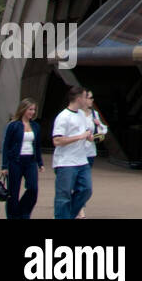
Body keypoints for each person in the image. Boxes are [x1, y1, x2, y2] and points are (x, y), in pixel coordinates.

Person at [52, 86, 94, 219]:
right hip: (66, 162)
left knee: (86, 190)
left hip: (82, 160)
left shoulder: (82, 114)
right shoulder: (63, 117)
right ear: (78, 98)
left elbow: (85, 131)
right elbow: (57, 140)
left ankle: (68, 215)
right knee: (63, 195)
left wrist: (88, 136)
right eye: (85, 97)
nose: (87, 100)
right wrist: (80, 136)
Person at [0, 98, 45, 219]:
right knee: (13, 192)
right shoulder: (13, 125)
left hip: (30, 161)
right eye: (30, 109)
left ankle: (23, 213)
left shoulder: (35, 126)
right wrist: (4, 166)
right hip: (15, 161)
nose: (32, 112)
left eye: (34, 110)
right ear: (23, 109)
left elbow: (37, 146)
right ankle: (12, 216)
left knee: (33, 188)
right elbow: (5, 146)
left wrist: (40, 163)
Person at [78, 90, 108, 219]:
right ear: (83, 99)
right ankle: (75, 208)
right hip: (76, 152)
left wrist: (99, 125)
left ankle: (80, 207)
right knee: (75, 181)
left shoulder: (94, 114)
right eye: (90, 97)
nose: (92, 100)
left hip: (89, 151)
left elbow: (103, 129)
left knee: (84, 183)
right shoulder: (76, 113)